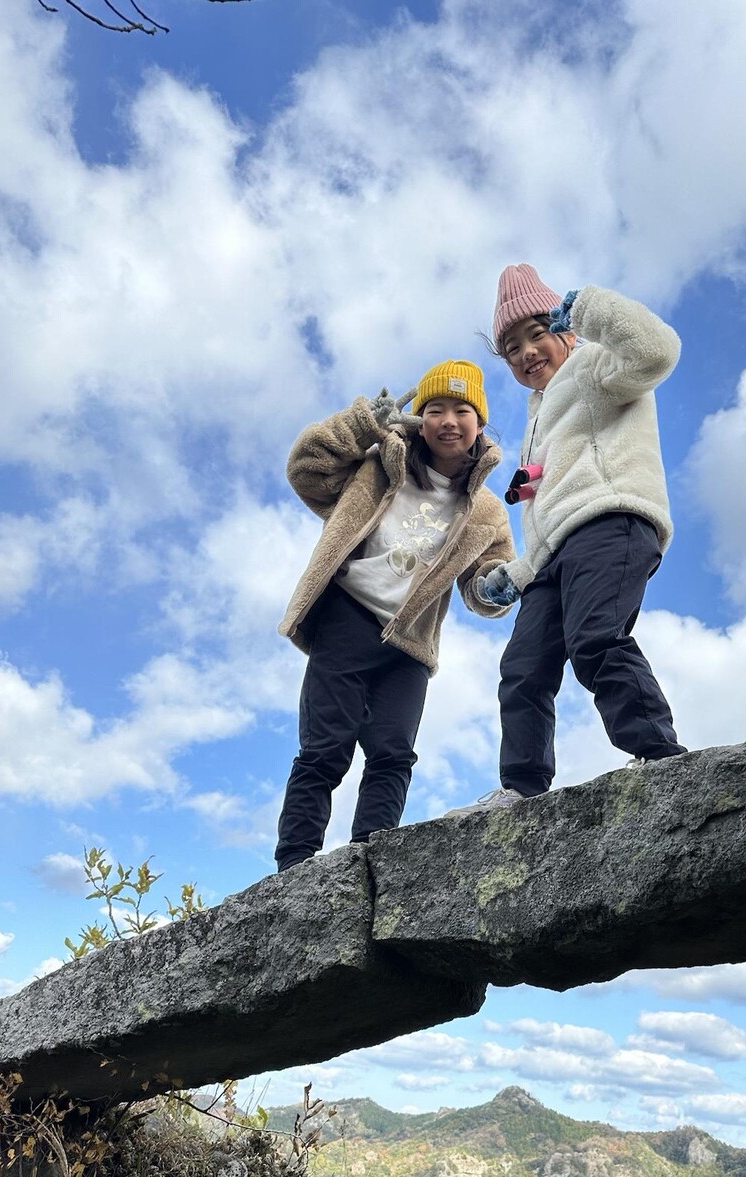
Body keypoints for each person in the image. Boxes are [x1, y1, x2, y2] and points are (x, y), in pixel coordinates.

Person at [458, 264, 687, 814]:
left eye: (538, 333)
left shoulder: (596, 367)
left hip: (610, 523)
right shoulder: (537, 418)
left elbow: (657, 351)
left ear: (566, 330)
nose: (526, 352)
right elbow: (543, 518)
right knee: (522, 671)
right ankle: (521, 788)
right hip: (555, 554)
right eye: (511, 347)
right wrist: (514, 576)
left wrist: (587, 307)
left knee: (595, 639)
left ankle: (660, 758)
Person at [275, 360, 515, 870]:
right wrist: (363, 425)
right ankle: (293, 867)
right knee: (325, 749)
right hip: (347, 616)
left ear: (480, 423)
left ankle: (371, 861)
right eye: (434, 409)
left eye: (462, 409)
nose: (448, 420)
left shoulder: (489, 511)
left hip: (409, 642)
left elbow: (484, 581)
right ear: (420, 418)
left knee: (393, 753)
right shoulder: (381, 460)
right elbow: (306, 469)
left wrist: (496, 588)